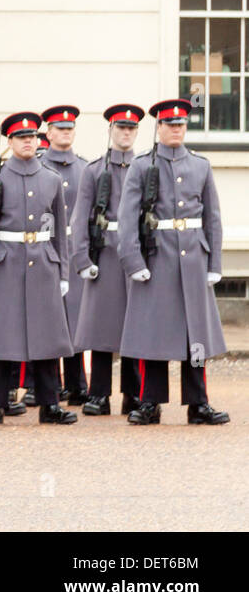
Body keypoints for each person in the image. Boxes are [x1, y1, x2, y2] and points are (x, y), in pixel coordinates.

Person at [116, 99, 229, 426]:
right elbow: (127, 220)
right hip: (157, 256)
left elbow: (213, 218)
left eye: (181, 124)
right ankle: (150, 402)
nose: (176, 129)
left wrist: (214, 263)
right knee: (155, 334)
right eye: (170, 124)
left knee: (196, 335)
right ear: (159, 127)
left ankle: (198, 402)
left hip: (194, 257)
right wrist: (133, 261)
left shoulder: (200, 165)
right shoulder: (141, 166)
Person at [0, 112, 77, 425]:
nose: (29, 142)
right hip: (6, 264)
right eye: (21, 137)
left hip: (43, 263)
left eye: (32, 136)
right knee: (0, 339)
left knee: (47, 338)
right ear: (10, 142)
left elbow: (59, 229)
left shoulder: (51, 179)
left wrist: (63, 272)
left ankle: (50, 404)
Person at [69, 104, 143, 416]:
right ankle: (98, 393)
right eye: (120, 128)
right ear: (110, 130)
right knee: (102, 328)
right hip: (106, 252)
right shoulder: (95, 170)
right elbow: (81, 216)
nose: (125, 133)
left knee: (135, 327)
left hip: (137, 251)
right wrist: (82, 258)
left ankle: (134, 393)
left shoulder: (144, 167)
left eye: (131, 129)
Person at [31, 105, 89, 406]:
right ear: (49, 133)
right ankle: (42, 385)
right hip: (45, 248)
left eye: (69, 128)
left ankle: (79, 385)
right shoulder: (38, 166)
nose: (65, 133)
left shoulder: (86, 168)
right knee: (46, 319)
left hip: (75, 249)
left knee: (76, 319)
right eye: (59, 128)